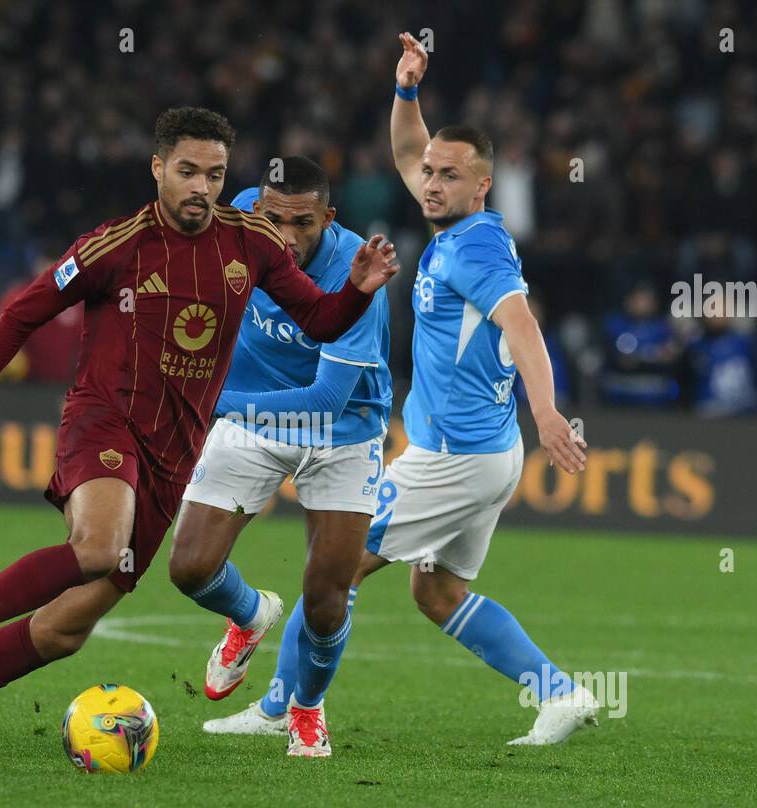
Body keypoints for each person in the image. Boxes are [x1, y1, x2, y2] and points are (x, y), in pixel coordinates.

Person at [0, 107, 399, 758]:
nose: (201, 187)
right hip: (105, 421)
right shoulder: (115, 246)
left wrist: (361, 292)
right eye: (188, 171)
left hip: (175, 453)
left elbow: (318, 317)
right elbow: (20, 314)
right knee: (97, 549)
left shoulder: (249, 243)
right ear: (158, 168)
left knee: (65, 628)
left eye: (216, 174)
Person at [205, 34, 600, 749]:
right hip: (482, 451)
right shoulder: (454, 227)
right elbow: (408, 149)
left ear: (482, 187)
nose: (432, 181)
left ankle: (275, 710)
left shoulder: (476, 246)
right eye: (431, 172)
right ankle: (560, 694)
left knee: (335, 570)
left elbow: (522, 324)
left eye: (450, 175)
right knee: (436, 590)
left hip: (454, 455)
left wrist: (547, 410)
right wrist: (408, 90)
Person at [166, 157, 392, 757]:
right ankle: (249, 614)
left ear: (329, 218)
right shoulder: (238, 214)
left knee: (326, 598)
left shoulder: (357, 274)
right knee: (189, 568)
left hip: (342, 428)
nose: (286, 237)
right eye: (275, 220)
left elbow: (323, 400)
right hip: (253, 414)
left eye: (304, 224)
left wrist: (213, 399)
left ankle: (306, 708)